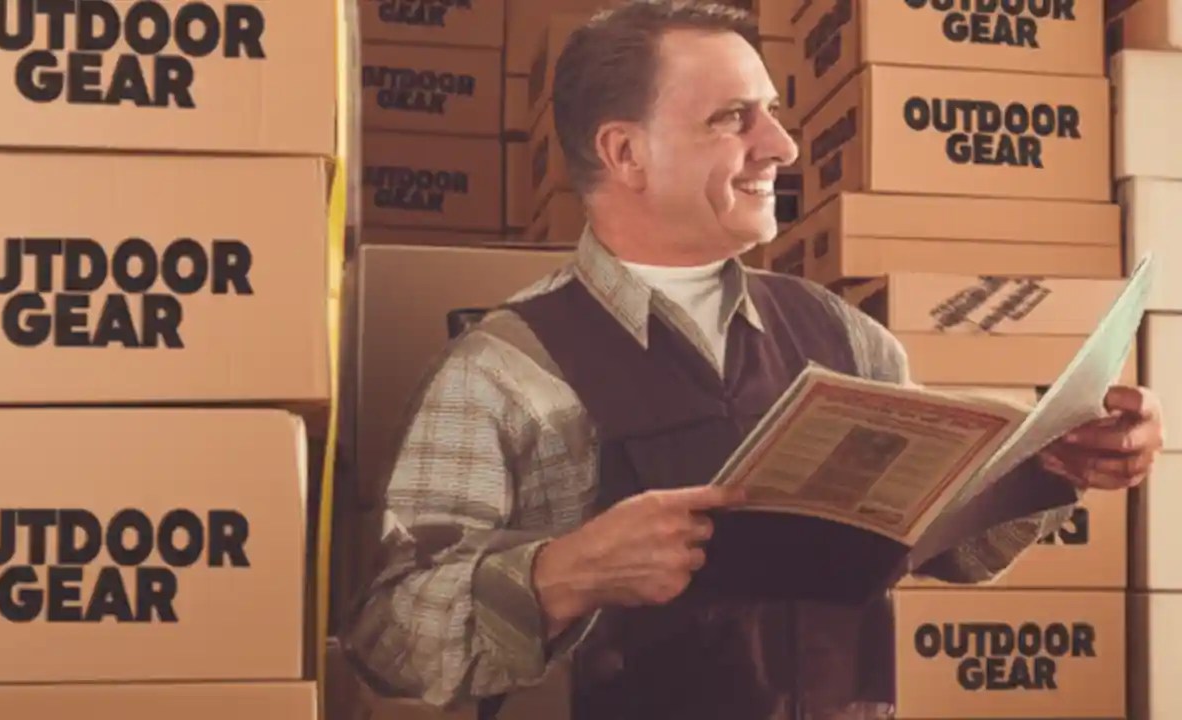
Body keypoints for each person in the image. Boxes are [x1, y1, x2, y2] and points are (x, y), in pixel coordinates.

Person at [342, 2, 1165, 718]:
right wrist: (561, 575)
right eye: (734, 118)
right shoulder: (504, 371)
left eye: (772, 112)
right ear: (626, 154)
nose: (784, 146)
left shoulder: (850, 340)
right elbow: (390, 645)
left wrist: (1055, 461)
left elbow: (951, 549)